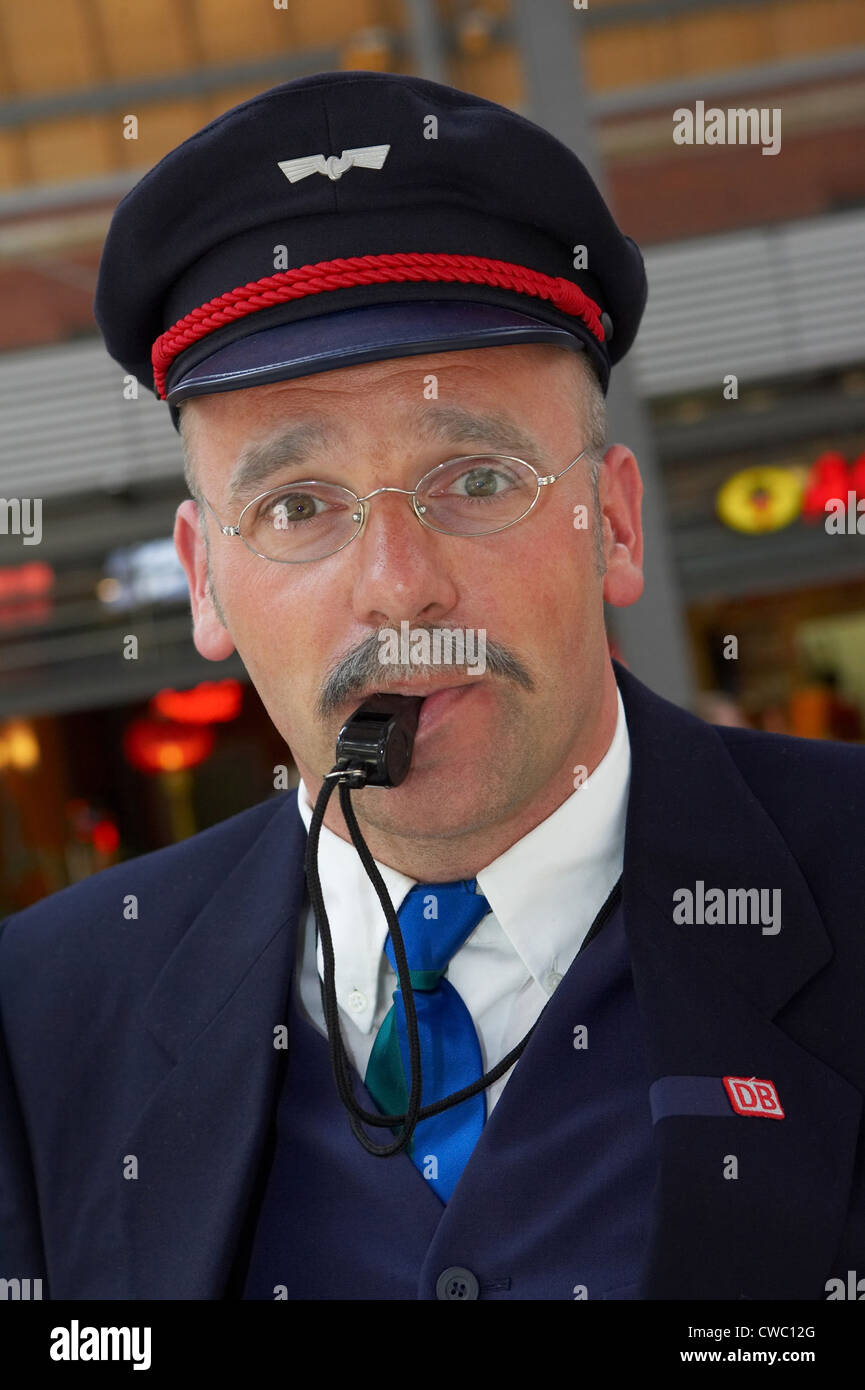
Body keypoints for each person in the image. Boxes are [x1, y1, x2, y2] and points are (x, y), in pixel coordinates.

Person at [2, 70, 864, 1303]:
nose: (399, 587)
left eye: (473, 480)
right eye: (298, 506)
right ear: (204, 583)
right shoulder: (42, 1021)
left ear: (612, 524)